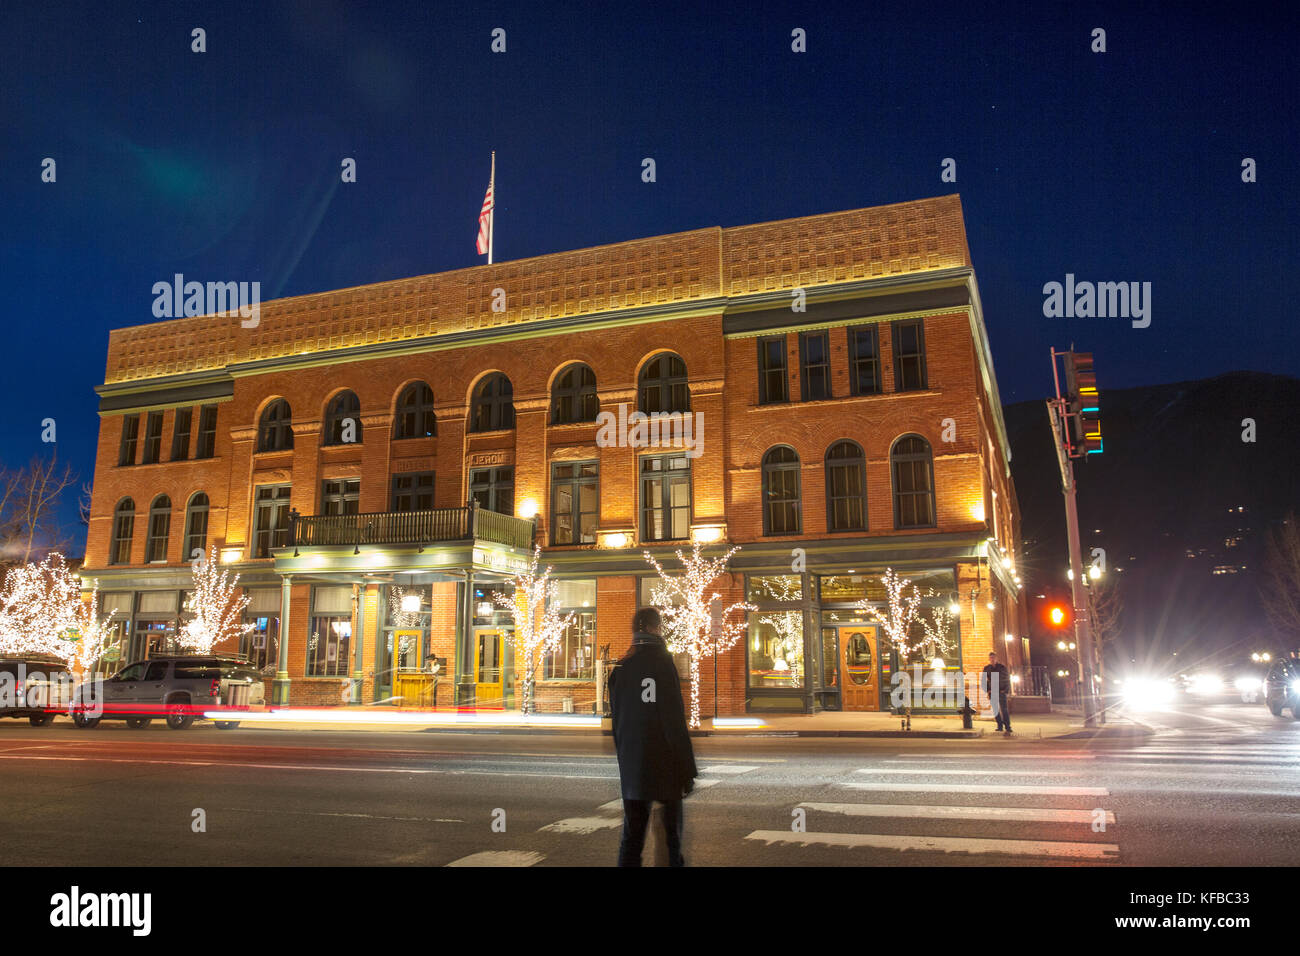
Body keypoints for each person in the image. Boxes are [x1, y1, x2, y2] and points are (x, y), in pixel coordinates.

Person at [608, 607, 697, 866]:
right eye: (659, 627)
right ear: (653, 628)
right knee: (671, 838)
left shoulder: (622, 667)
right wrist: (687, 768)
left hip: (633, 766)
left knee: (632, 838)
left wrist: (624, 760)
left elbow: (617, 723)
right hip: (664, 764)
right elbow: (673, 721)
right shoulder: (662, 663)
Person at [982, 651, 1012, 734]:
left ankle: (1007, 726)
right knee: (995, 710)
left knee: (1004, 709)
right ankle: (999, 726)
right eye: (991, 658)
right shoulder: (987, 668)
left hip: (1001, 691)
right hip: (992, 691)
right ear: (989, 659)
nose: (992, 659)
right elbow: (984, 680)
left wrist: (1005, 690)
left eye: (993, 658)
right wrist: (987, 690)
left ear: (996, 658)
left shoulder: (1002, 667)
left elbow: (1007, 679)